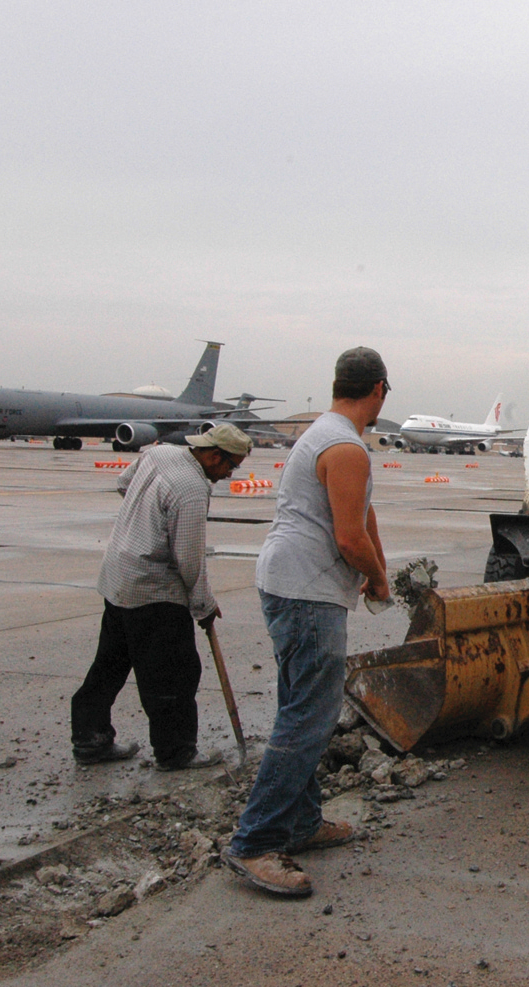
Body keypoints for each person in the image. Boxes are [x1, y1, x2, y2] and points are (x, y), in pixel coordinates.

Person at [222, 346, 391, 898]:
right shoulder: (345, 447)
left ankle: (300, 822)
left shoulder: (329, 435)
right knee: (308, 720)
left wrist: (377, 566)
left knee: (303, 710)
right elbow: (347, 537)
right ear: (379, 390)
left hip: (294, 582)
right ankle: (255, 842)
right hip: (307, 591)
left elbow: (362, 516)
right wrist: (378, 579)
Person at [70, 423, 252, 771]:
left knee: (109, 666)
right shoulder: (192, 490)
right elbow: (189, 559)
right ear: (214, 455)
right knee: (175, 674)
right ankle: (175, 752)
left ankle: (90, 740)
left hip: (118, 577)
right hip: (154, 592)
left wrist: (146, 520)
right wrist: (204, 606)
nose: (229, 474)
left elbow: (124, 484)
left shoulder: (159, 453)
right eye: (231, 466)